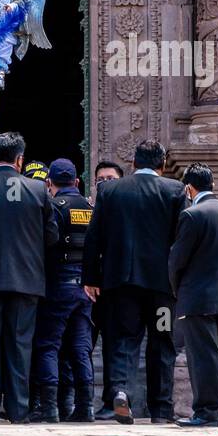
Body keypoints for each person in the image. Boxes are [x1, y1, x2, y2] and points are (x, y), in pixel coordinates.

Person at [83, 139, 187, 425]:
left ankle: (120, 391)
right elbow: (182, 239)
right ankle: (162, 408)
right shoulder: (175, 190)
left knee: (122, 340)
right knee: (162, 342)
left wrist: (90, 277)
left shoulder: (110, 190)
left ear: (133, 163)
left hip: (121, 282)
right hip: (162, 288)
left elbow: (94, 236)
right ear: (162, 165)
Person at [0, 131, 57, 424]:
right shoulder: (39, 190)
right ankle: (18, 410)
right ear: (20, 159)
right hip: (26, 280)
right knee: (20, 345)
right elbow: (51, 236)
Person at [169, 163, 218, 428]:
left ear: (189, 187)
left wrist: (178, 290)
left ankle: (207, 411)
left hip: (198, 298)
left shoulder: (192, 215)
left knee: (203, 357)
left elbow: (177, 260)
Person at [34, 159, 94, 423]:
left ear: (49, 183)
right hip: (85, 288)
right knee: (81, 348)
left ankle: (50, 409)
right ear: (77, 182)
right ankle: (86, 408)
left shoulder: (54, 206)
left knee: (49, 345)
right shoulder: (91, 208)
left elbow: (48, 242)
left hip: (58, 284)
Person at [91, 159, 123, 420]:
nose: (104, 184)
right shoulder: (87, 208)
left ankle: (113, 399)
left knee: (114, 346)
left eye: (110, 179)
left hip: (115, 290)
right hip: (88, 291)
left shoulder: (125, 212)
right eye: (100, 180)